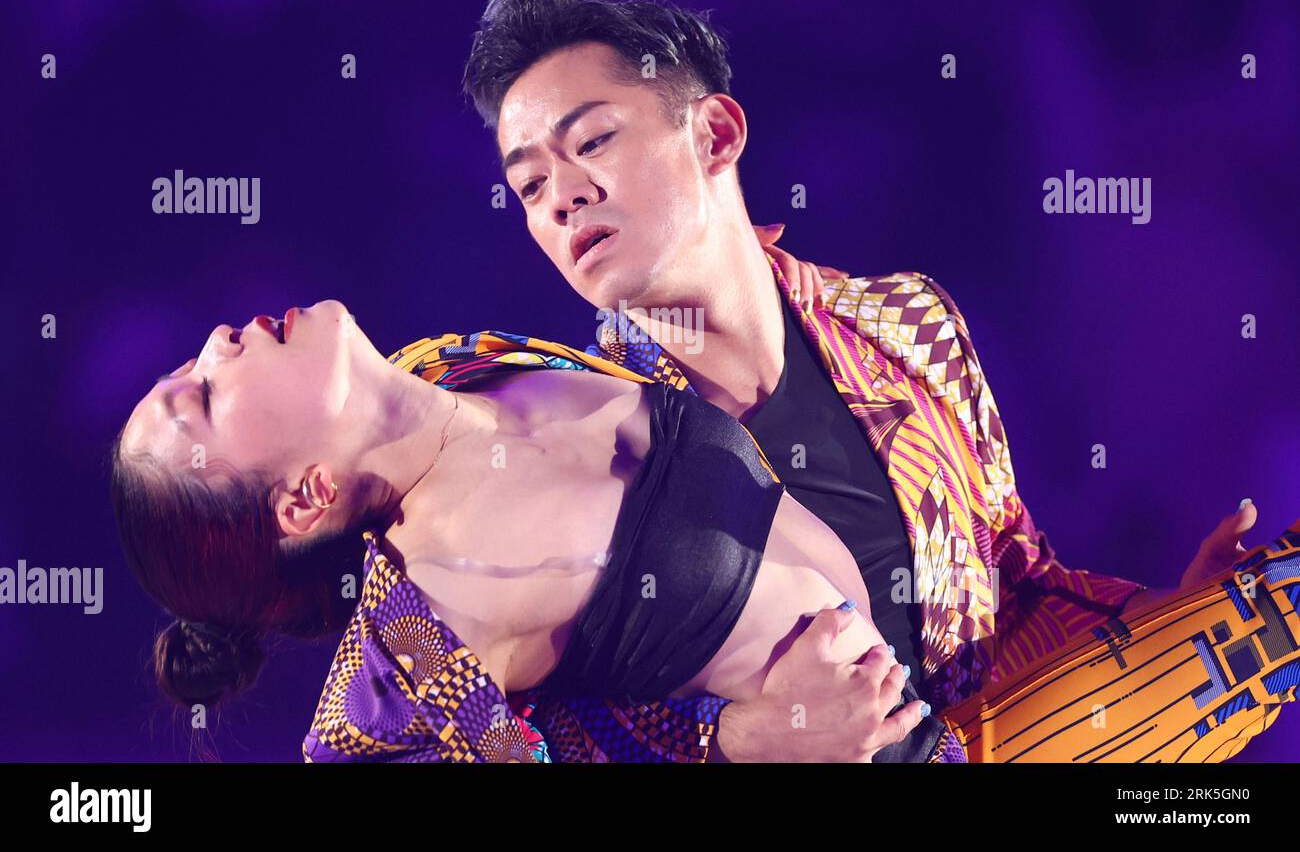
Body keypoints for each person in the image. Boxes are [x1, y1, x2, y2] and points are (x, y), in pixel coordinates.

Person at [416, 0, 1270, 762]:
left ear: (715, 133)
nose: (560, 196)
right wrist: (737, 745)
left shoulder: (910, 325)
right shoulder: (569, 438)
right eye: (528, 186)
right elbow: (505, 729)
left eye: (592, 140)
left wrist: (1169, 624)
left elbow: (1013, 585)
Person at [110, 299, 952, 764]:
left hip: (970, 700)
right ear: (301, 501)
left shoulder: (453, 360)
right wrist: (740, 748)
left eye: (185, 367)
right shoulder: (417, 646)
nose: (216, 342)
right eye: (205, 398)